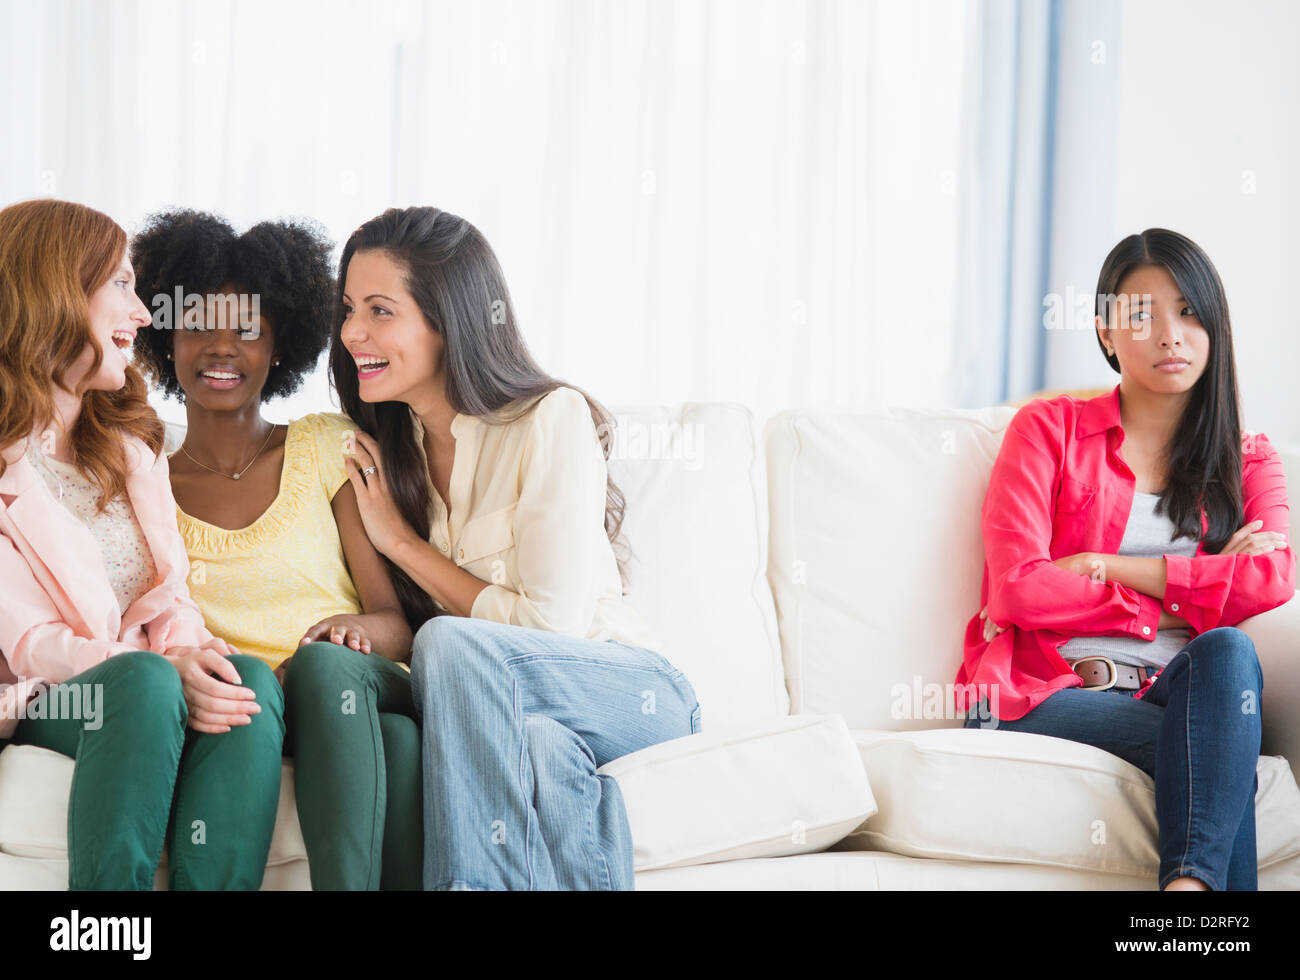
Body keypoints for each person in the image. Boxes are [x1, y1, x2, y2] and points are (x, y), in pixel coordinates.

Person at [329, 205, 701, 890]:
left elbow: (548, 629)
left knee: (447, 641)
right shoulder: (385, 459)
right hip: (527, 718)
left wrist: (405, 548)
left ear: (449, 321)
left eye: (381, 310)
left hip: (628, 691)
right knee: (540, 749)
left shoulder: (548, 419)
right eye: (348, 308)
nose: (353, 332)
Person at [958, 228, 1294, 891]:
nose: (1171, 334)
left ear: (1214, 328)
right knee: (1218, 752)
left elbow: (1272, 578)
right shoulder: (1047, 432)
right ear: (1106, 333)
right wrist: (1201, 580)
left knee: (1229, 654)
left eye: (1190, 312)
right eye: (1143, 315)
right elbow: (1018, 592)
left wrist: (1107, 568)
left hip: (1174, 692)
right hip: (1044, 692)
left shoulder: (1249, 460)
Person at [131, 209, 419, 889]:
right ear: (166, 341)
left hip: (340, 691)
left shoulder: (324, 446)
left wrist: (347, 633)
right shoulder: (144, 482)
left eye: (248, 331)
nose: (220, 349)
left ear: (280, 345)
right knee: (402, 750)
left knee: (326, 676)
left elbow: (395, 623)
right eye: (196, 326)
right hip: (239, 711)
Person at [0, 198, 282, 889]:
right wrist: (155, 666)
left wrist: (189, 650)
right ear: (58, 291)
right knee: (146, 681)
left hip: (140, 682)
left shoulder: (132, 443)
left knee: (243, 679)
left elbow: (168, 594)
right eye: (122, 286)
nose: (145, 315)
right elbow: (29, 644)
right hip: (41, 696)